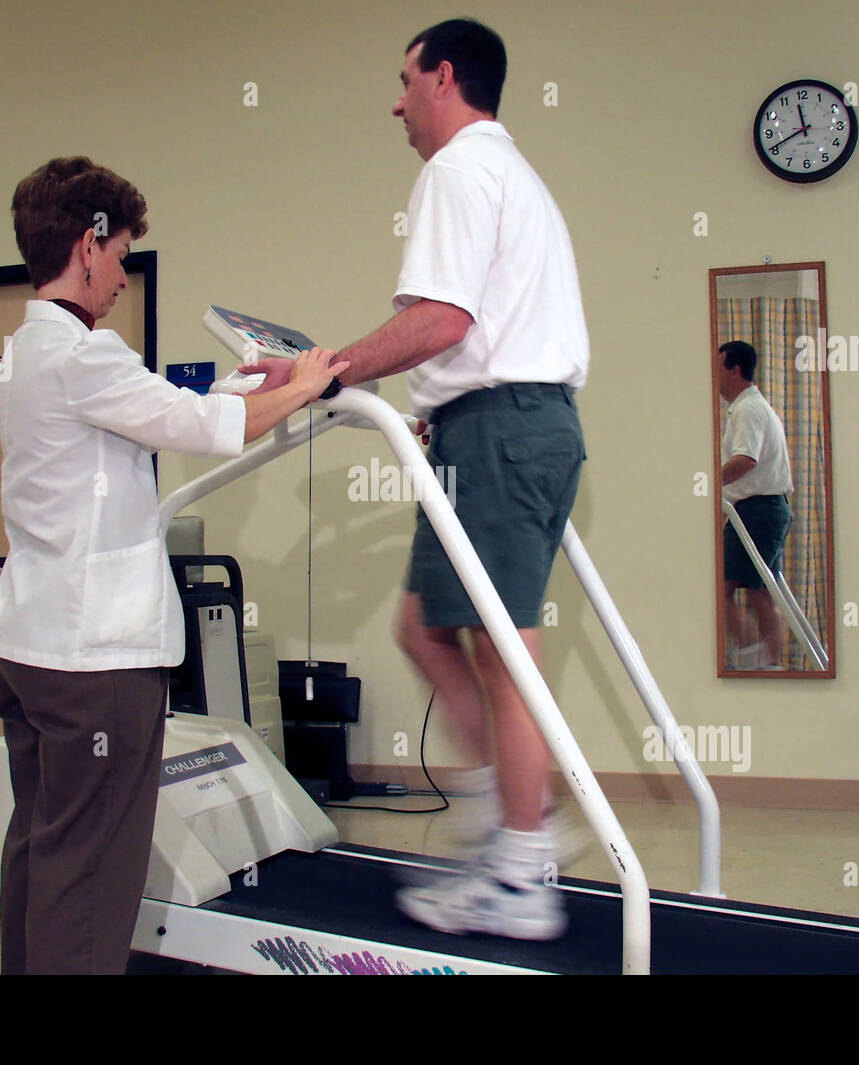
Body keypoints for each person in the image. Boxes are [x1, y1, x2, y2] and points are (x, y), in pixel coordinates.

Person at [249, 18, 587, 940]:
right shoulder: (509, 175)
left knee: (503, 655)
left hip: (504, 432)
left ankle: (521, 867)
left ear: (444, 77)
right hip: (502, 425)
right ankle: (511, 830)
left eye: (405, 82)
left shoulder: (456, 169)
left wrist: (330, 369)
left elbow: (442, 318)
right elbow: (476, 331)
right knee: (427, 628)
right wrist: (443, 403)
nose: (396, 103)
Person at [0, 156, 346, 974]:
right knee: (93, 871)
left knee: (42, 848)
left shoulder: (28, 354)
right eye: (118, 257)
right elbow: (201, 425)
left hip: (28, 646)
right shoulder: (85, 353)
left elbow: (160, 415)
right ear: (87, 245)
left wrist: (246, 384)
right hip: (93, 662)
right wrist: (308, 381)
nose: (117, 279)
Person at [718, 339, 794, 669]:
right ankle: (770, 664)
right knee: (760, 591)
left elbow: (745, 460)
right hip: (765, 509)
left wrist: (708, 483)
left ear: (734, 370)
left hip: (757, 510)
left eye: (716, 369)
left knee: (720, 589)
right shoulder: (752, 407)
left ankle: (753, 661)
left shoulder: (748, 409)